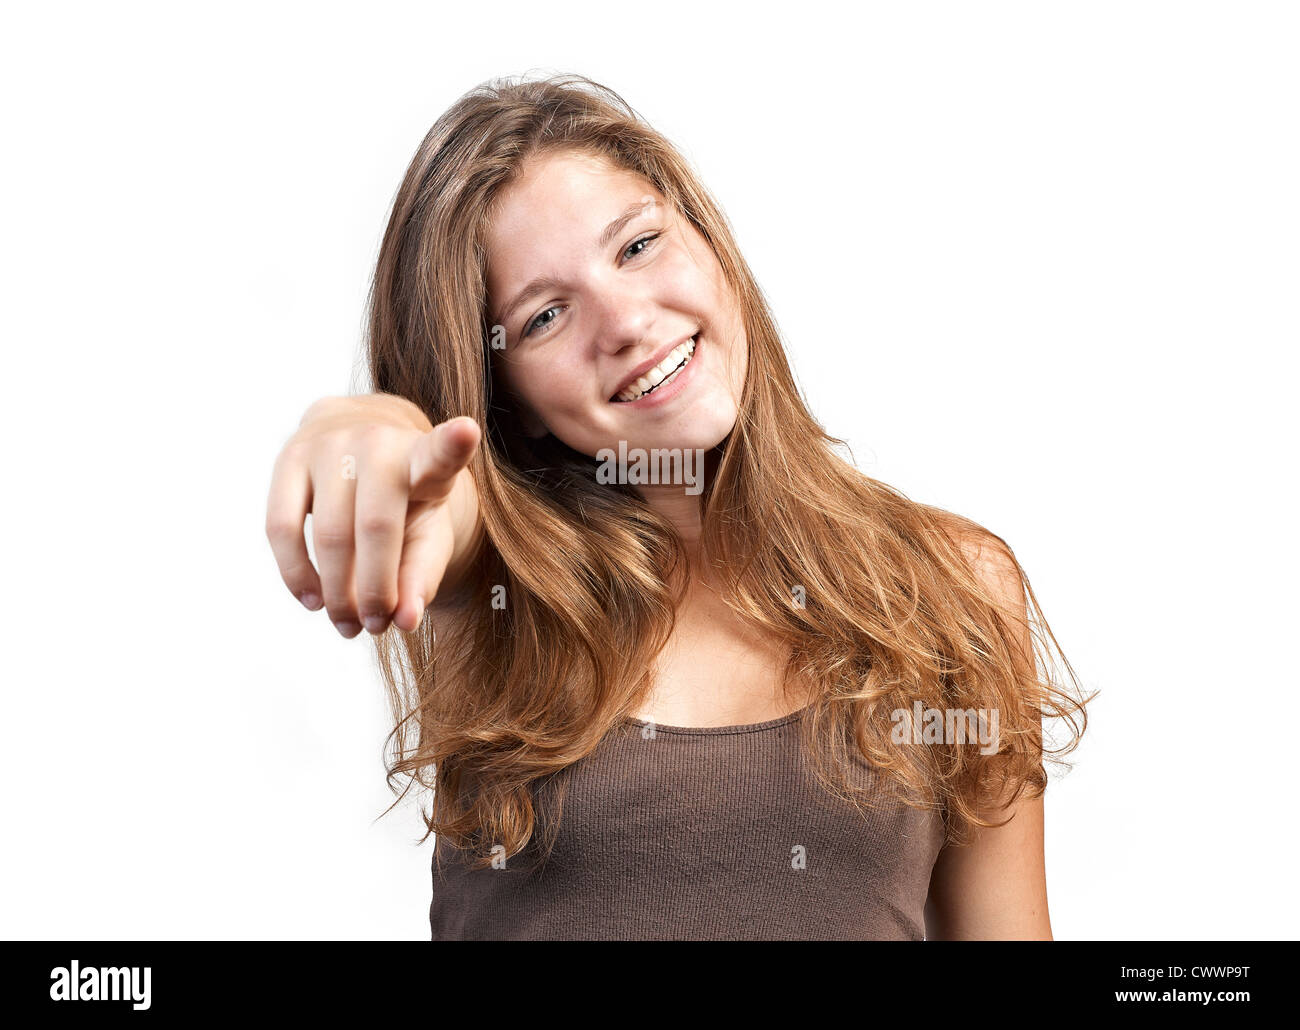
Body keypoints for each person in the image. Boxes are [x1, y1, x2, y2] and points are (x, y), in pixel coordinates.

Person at [265, 73, 1090, 940]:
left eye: (637, 246)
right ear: (500, 399)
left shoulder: (953, 585)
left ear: (708, 241)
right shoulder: (500, 587)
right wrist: (368, 436)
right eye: (543, 316)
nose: (625, 320)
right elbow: (430, 492)